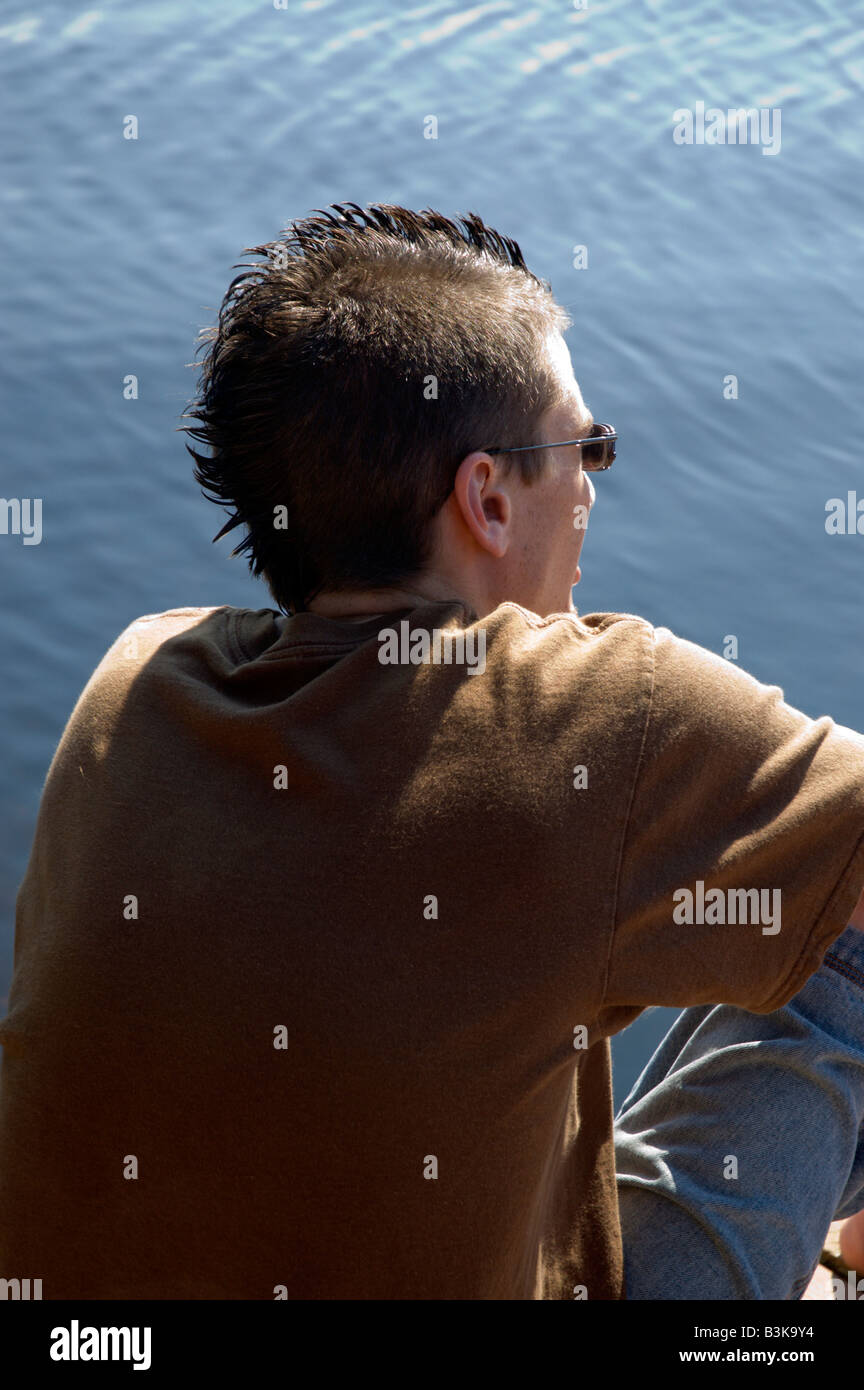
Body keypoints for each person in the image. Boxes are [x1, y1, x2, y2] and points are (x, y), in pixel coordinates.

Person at [2, 202, 864, 1300]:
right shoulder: (595, 712)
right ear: (488, 499)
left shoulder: (132, 684)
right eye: (583, 446)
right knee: (839, 926)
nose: (595, 483)